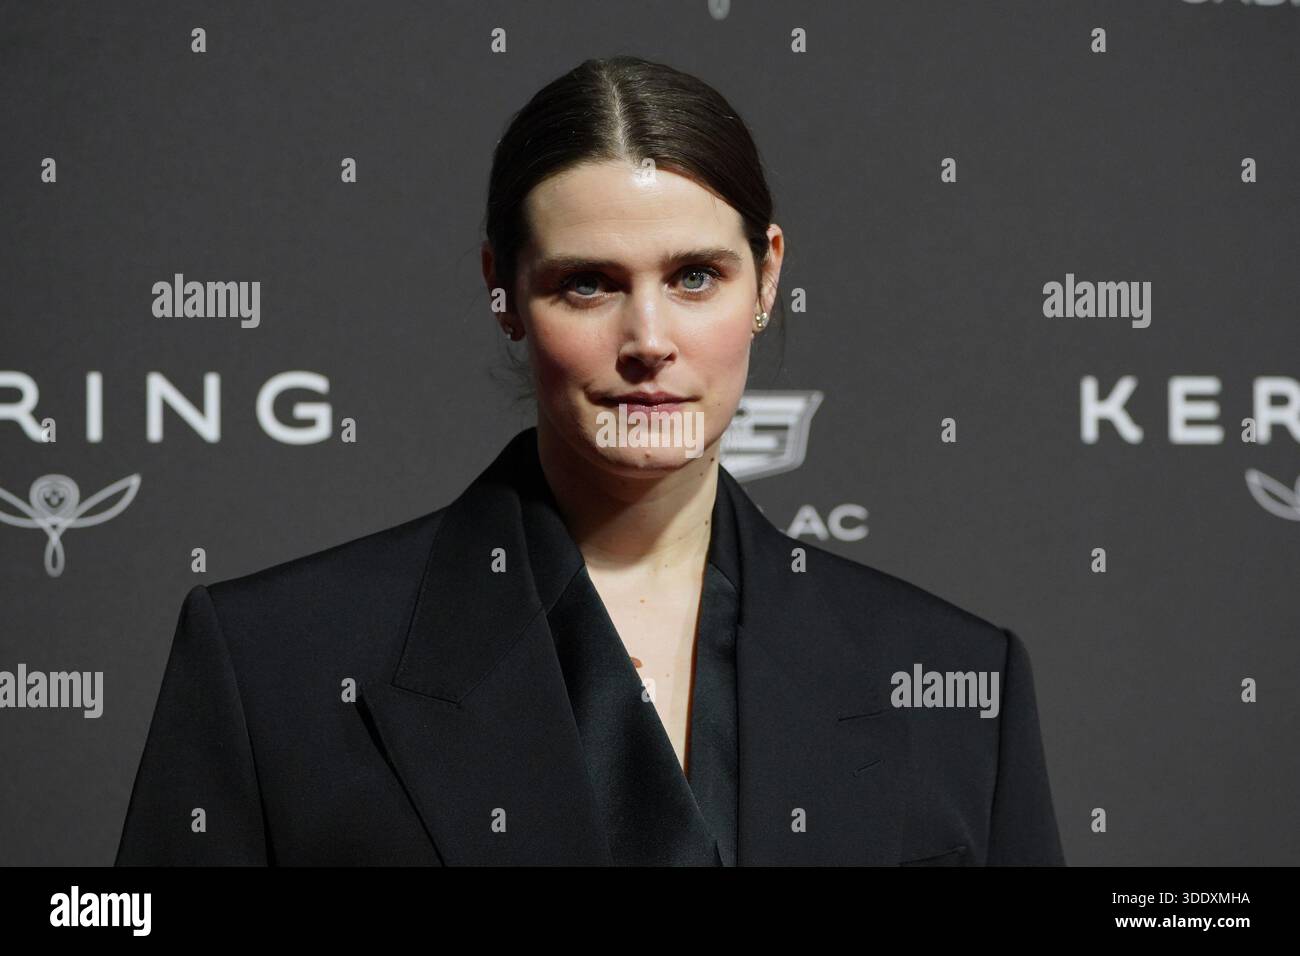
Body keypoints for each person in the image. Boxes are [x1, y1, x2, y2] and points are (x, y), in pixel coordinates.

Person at [115, 55, 1065, 866]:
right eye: (588, 284)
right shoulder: (273, 663)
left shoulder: (954, 677)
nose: (647, 338)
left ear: (768, 276)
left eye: (696, 276)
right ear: (505, 290)